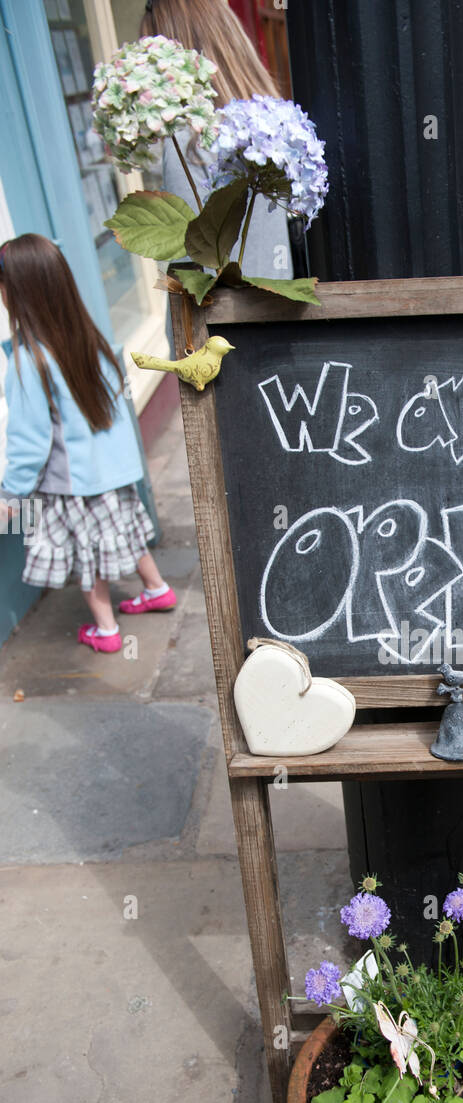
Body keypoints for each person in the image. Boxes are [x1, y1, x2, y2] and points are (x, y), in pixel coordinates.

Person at [0, 235, 175, 653]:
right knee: (124, 536)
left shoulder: (30, 359)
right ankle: (156, 588)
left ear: (16, 293)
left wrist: (11, 492)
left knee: (88, 560)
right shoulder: (88, 337)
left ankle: (107, 630)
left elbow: (29, 440)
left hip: (74, 484)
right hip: (113, 474)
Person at [140, 0, 296, 279]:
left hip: (224, 319)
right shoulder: (266, 128)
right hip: (274, 306)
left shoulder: (188, 143)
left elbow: (192, 273)